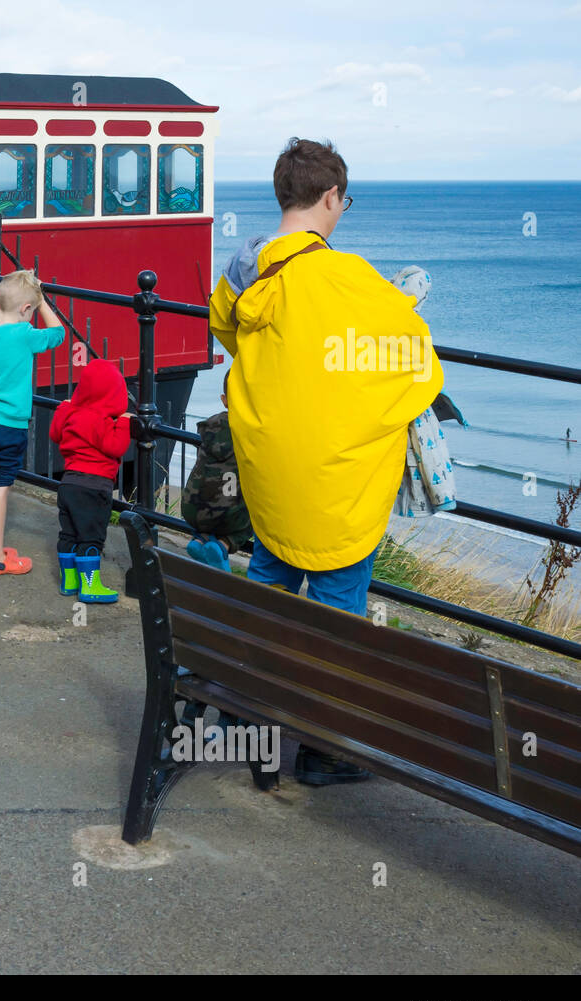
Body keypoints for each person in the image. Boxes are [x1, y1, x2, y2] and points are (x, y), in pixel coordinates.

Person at [209, 137, 443, 784]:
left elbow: (227, 329)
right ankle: (323, 747)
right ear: (331, 196)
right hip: (336, 485)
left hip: (270, 468)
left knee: (270, 571)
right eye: (344, 200)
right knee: (338, 606)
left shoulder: (245, 263)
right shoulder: (348, 276)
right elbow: (414, 357)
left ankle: (240, 708)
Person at [0, 270, 65, 575]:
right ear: (26, 310)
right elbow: (58, 334)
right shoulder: (25, 335)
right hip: (9, 428)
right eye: (32, 311)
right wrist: (43, 301)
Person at [49, 356, 133, 601]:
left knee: (69, 534)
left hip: (69, 484)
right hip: (94, 487)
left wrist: (64, 407)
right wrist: (125, 423)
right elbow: (116, 447)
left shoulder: (73, 414)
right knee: (91, 537)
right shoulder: (103, 420)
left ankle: (69, 581)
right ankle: (90, 587)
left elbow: (55, 434)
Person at [181, 370, 251, 572]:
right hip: (226, 515)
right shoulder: (249, 431)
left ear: (224, 400)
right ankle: (223, 545)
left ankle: (200, 540)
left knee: (215, 496)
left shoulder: (209, 426)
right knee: (254, 515)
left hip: (191, 507)